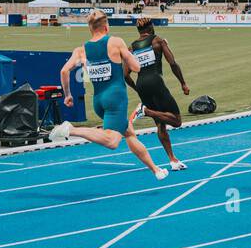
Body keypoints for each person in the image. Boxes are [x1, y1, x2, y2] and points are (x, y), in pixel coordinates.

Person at [52, 10, 169, 180]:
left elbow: (64, 71)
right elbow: (136, 67)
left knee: (129, 133)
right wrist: (128, 56)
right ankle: (71, 129)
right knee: (112, 141)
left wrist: (68, 95)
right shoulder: (115, 42)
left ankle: (156, 170)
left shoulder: (81, 50)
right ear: (106, 27)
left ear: (90, 28)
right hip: (116, 100)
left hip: (98, 101)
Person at [125, 17, 190, 171]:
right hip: (156, 82)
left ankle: (173, 160)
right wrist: (183, 83)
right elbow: (172, 63)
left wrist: (137, 88)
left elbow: (125, 75)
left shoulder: (132, 48)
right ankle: (145, 111)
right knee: (176, 121)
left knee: (160, 123)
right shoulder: (158, 41)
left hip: (141, 84)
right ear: (151, 27)